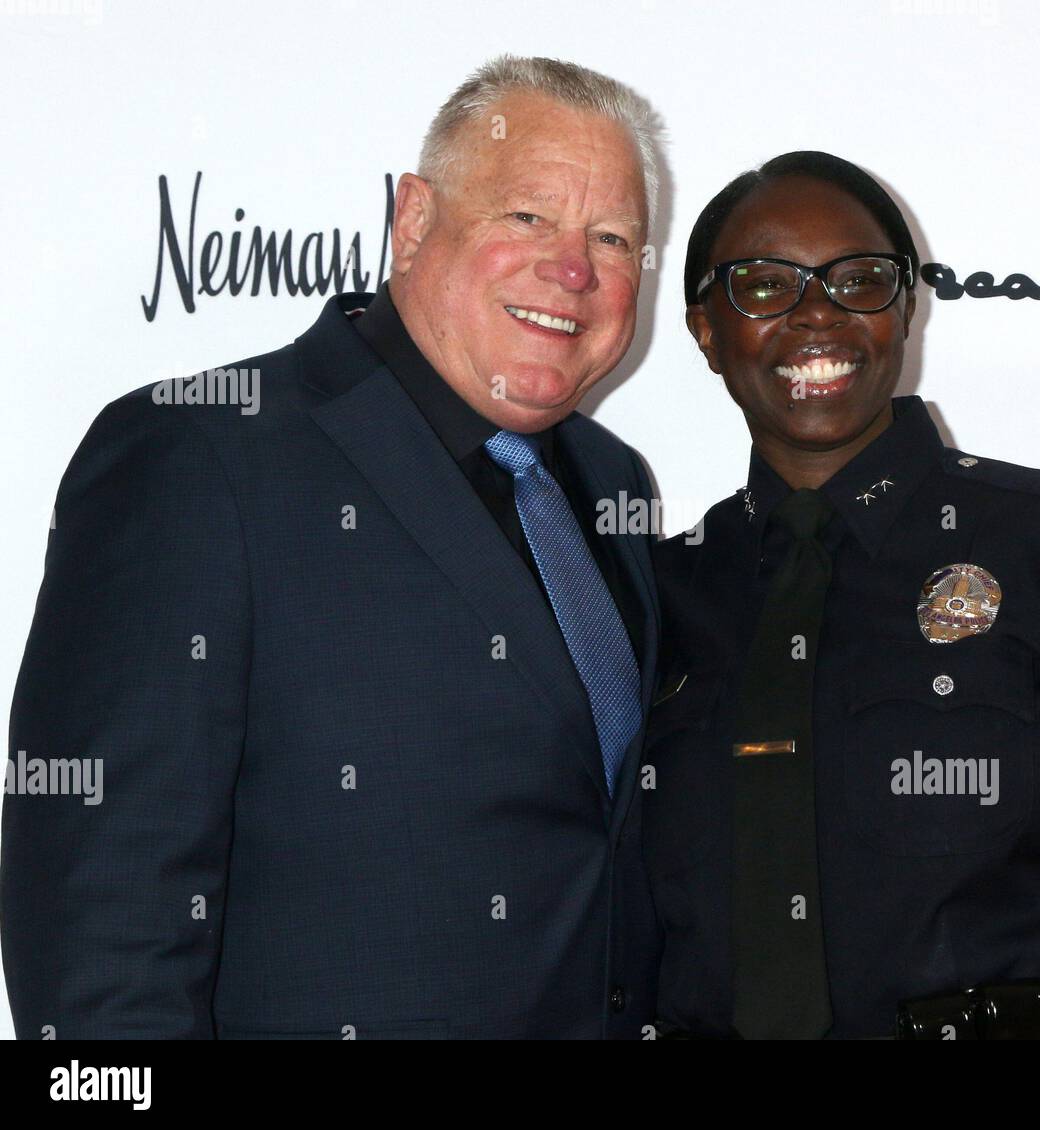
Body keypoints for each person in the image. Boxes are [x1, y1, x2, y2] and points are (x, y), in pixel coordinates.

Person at [1, 56, 664, 1039]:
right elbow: (105, 915)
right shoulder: (199, 455)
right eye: (526, 217)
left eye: (610, 238)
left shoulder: (612, 485)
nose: (571, 267)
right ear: (412, 222)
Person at [642, 151, 1040, 1040]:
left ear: (906, 308)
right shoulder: (654, 595)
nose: (817, 312)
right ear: (706, 329)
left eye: (859, 280)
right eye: (763, 285)